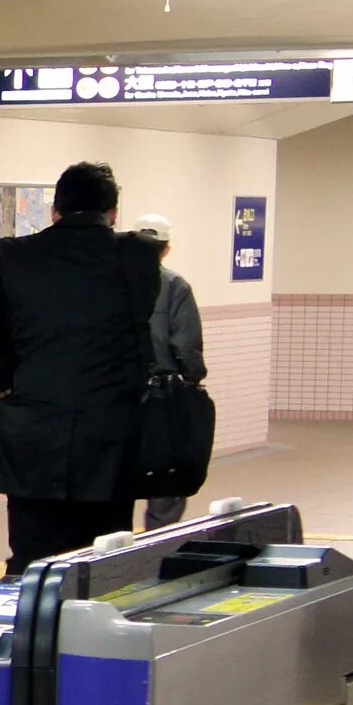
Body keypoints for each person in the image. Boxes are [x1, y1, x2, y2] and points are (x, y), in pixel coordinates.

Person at [0, 160, 161, 572]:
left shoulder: (16, 257)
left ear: (55, 210)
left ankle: (32, 630)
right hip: (110, 438)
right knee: (105, 557)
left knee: (34, 557)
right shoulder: (137, 257)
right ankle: (92, 632)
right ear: (113, 212)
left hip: (32, 436)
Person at [131, 213, 207, 529]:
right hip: (161, 397)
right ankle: (155, 554)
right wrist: (193, 380)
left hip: (114, 396)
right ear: (166, 249)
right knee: (166, 479)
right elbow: (186, 347)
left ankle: (108, 559)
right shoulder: (175, 286)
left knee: (115, 483)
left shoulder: (107, 282)